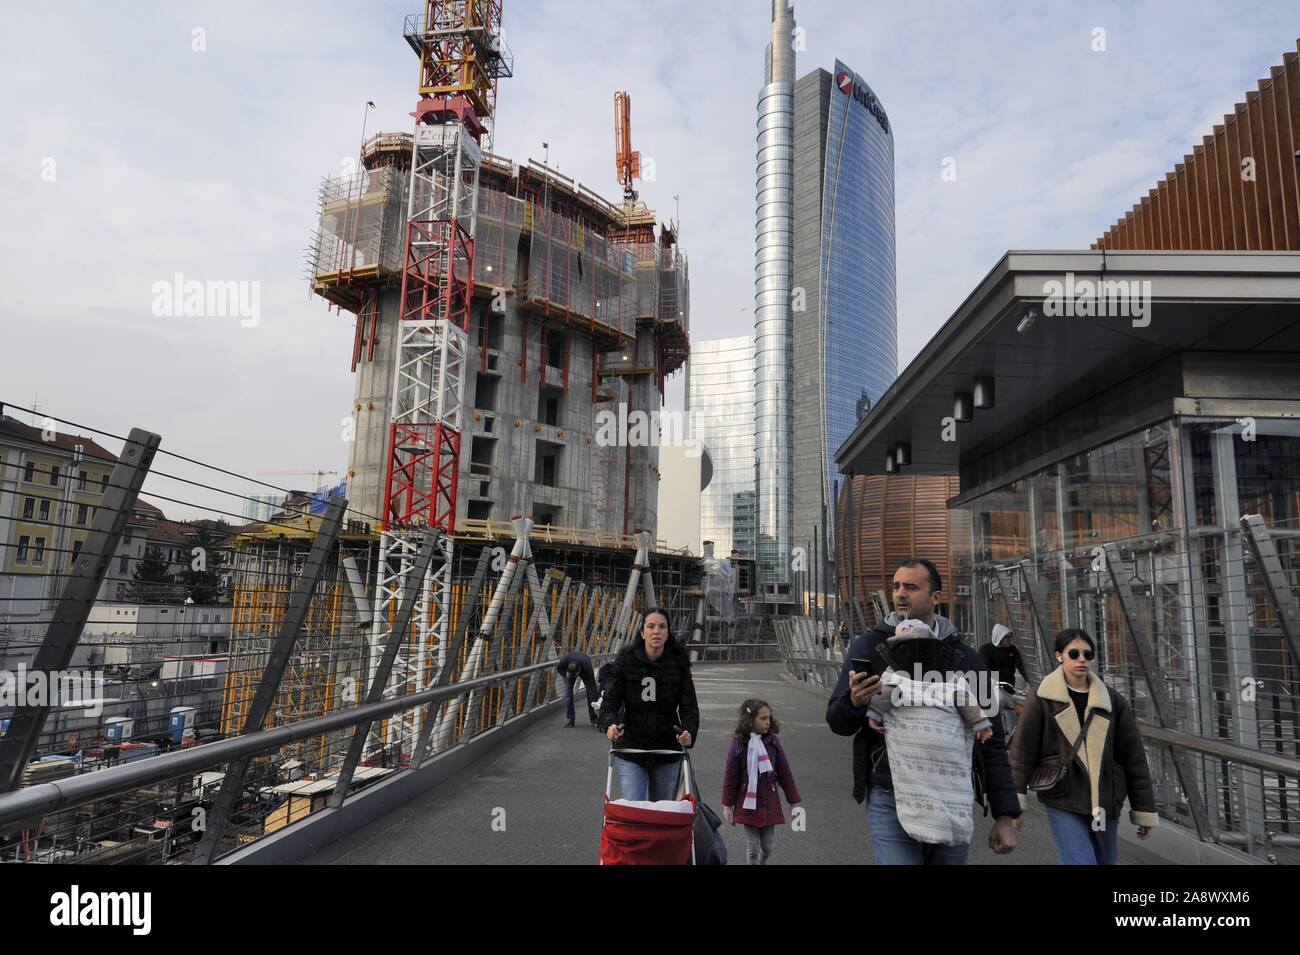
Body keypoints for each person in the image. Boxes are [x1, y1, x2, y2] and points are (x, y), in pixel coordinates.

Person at [827, 557, 1021, 864]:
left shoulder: (966, 658)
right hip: (890, 794)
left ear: (936, 597)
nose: (900, 593)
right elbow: (838, 721)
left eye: (911, 587)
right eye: (896, 586)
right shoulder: (869, 648)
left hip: (952, 796)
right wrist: (854, 702)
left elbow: (993, 739)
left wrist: (1006, 814)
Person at [1010, 628, 1157, 865]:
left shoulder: (1111, 700)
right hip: (1062, 796)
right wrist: (1013, 803)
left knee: (1104, 861)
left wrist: (1144, 811)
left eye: (1087, 654)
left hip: (1104, 799)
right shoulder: (1042, 697)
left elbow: (1133, 757)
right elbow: (1022, 752)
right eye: (1074, 653)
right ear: (1059, 656)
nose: (1081, 659)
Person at [598, 607, 699, 802]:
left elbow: (689, 707)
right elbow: (609, 704)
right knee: (635, 809)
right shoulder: (626, 662)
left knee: (662, 814)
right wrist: (610, 724)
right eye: (651, 626)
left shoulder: (678, 664)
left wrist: (689, 732)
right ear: (642, 632)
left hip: (667, 747)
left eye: (662, 627)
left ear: (668, 632)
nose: (656, 631)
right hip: (632, 747)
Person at [720, 699, 802, 864]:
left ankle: (763, 861)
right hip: (747, 801)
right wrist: (727, 805)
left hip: (769, 801)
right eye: (763, 718)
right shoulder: (738, 745)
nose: (768, 722)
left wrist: (794, 803)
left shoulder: (773, 742)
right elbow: (730, 777)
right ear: (750, 721)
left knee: (767, 845)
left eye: (769, 718)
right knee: (753, 845)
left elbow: (785, 773)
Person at [554, 647, 599, 727]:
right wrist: (565, 674)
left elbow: (592, 689)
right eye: (575, 675)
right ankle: (571, 720)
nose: (577, 676)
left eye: (577, 674)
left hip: (585, 670)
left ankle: (593, 719)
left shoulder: (586, 664)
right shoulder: (564, 661)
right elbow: (559, 669)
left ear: (579, 670)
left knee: (591, 692)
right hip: (569, 673)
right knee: (568, 694)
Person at [979, 624, 1029, 691]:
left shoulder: (1012, 649)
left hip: (1009, 685)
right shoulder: (986, 649)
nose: (1010, 640)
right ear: (1000, 637)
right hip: (994, 686)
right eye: (1007, 638)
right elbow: (985, 668)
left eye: (1010, 638)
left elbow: (1021, 666)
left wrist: (1030, 681)